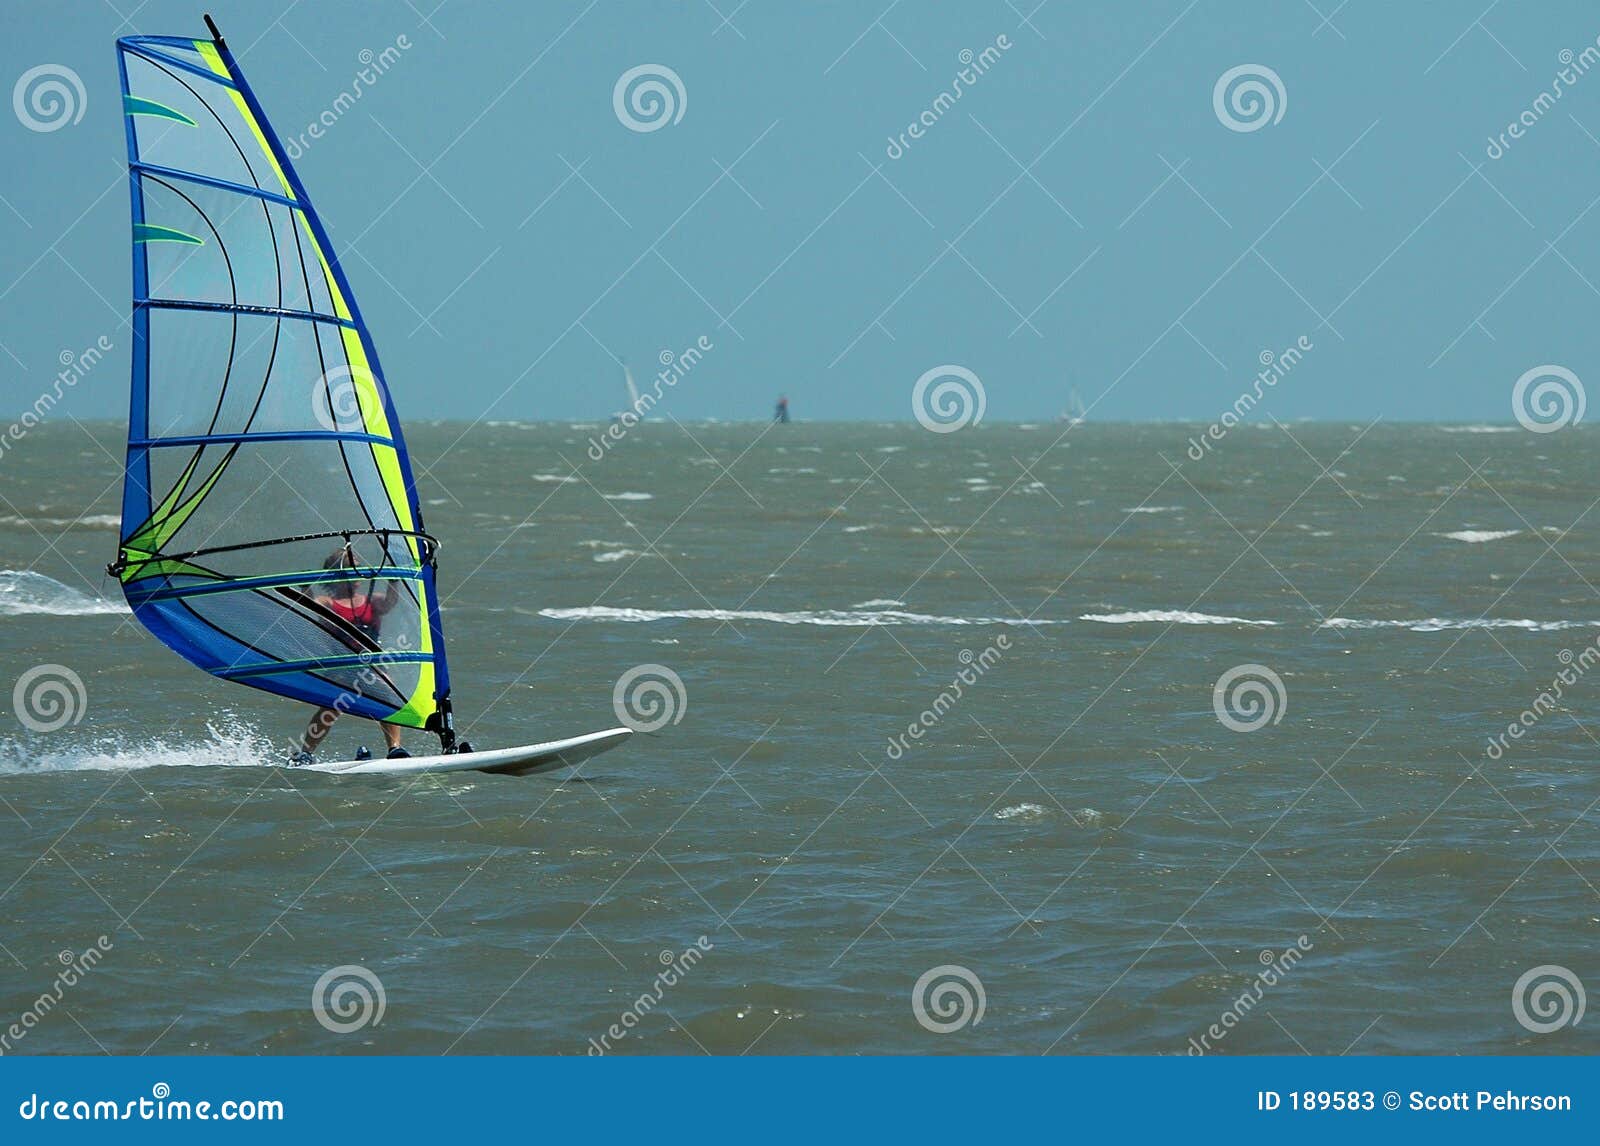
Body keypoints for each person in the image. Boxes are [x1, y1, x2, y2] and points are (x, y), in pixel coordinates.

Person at [288, 545, 409, 765]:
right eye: (350, 571)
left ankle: (395, 748)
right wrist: (305, 585)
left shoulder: (373, 600)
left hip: (371, 665)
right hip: (342, 666)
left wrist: (394, 580)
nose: (357, 576)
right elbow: (310, 606)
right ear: (337, 577)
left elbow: (390, 603)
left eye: (358, 570)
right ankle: (305, 753)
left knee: (389, 692)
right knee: (331, 706)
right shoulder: (328, 604)